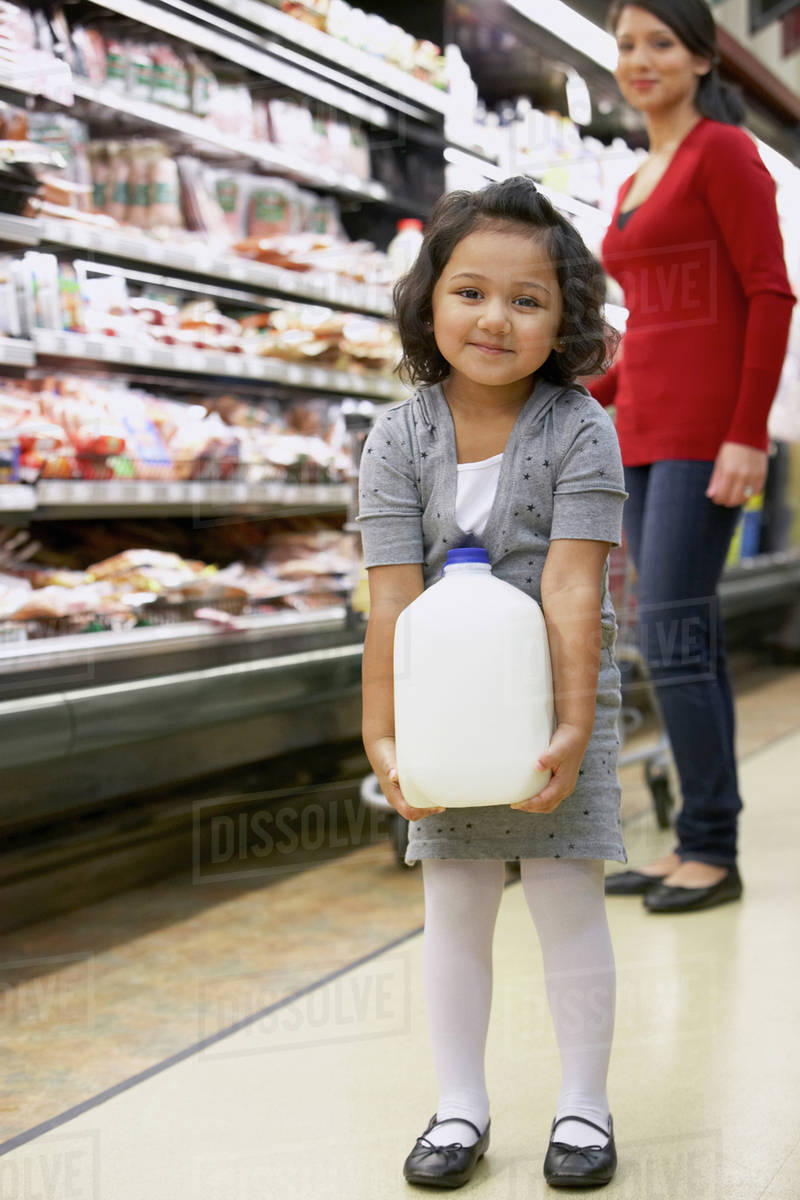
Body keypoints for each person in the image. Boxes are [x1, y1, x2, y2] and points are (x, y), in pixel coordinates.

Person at [357, 175, 627, 1190]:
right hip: (441, 712)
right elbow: (389, 600)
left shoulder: (578, 428)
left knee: (566, 900)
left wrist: (565, 727)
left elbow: (569, 586)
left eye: (527, 299)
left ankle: (583, 1107)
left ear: (564, 319)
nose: (494, 319)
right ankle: (458, 1107)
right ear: (428, 300)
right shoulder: (396, 437)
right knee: (454, 904)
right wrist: (381, 738)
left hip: (557, 700)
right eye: (469, 291)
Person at [595, 0, 796, 913]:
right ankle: (692, 840)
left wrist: (747, 431)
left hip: (705, 438)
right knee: (676, 639)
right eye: (627, 44)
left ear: (702, 56)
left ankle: (712, 846)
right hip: (641, 430)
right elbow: (654, 325)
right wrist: (586, 397)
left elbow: (769, 291)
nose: (639, 60)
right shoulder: (637, 178)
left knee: (674, 635)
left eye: (659, 44)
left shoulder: (723, 152)